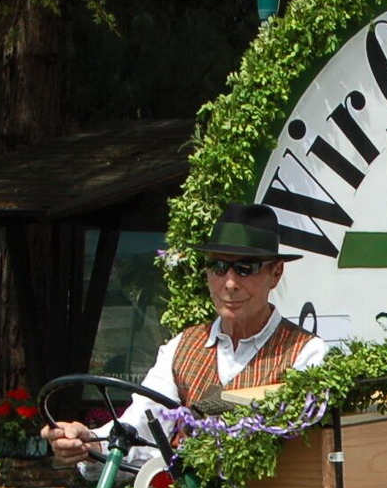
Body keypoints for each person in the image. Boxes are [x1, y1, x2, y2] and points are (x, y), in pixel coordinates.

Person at [43, 202, 328, 474]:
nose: (229, 283)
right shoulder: (181, 347)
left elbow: (296, 454)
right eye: (217, 266)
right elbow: (141, 422)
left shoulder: (306, 354)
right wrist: (90, 441)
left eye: (246, 268)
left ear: (275, 273)